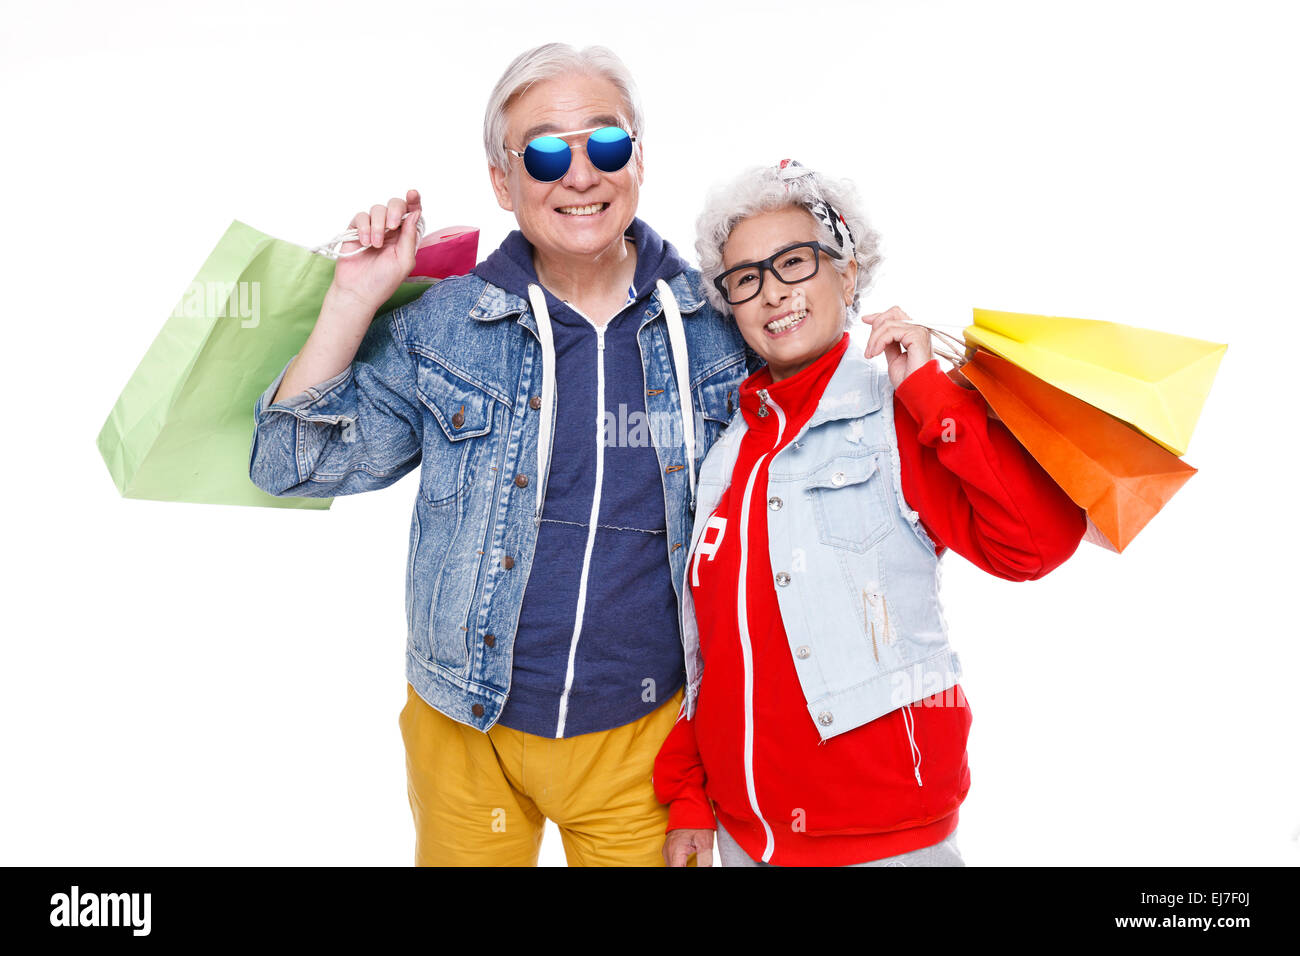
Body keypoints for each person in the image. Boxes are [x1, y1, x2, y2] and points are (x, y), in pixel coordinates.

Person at [248, 43, 756, 866]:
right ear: (501, 180)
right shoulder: (446, 326)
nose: (580, 175)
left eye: (609, 143)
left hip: (644, 737)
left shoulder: (717, 322)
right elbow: (287, 464)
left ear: (639, 160)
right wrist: (354, 297)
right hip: (464, 725)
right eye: (547, 152)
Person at [653, 160, 1088, 867]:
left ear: (848, 274)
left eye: (794, 262)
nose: (773, 294)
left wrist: (932, 395)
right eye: (746, 278)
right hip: (741, 842)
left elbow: (1032, 547)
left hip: (885, 845)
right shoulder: (728, 454)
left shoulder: (900, 411)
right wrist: (692, 800)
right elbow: (710, 655)